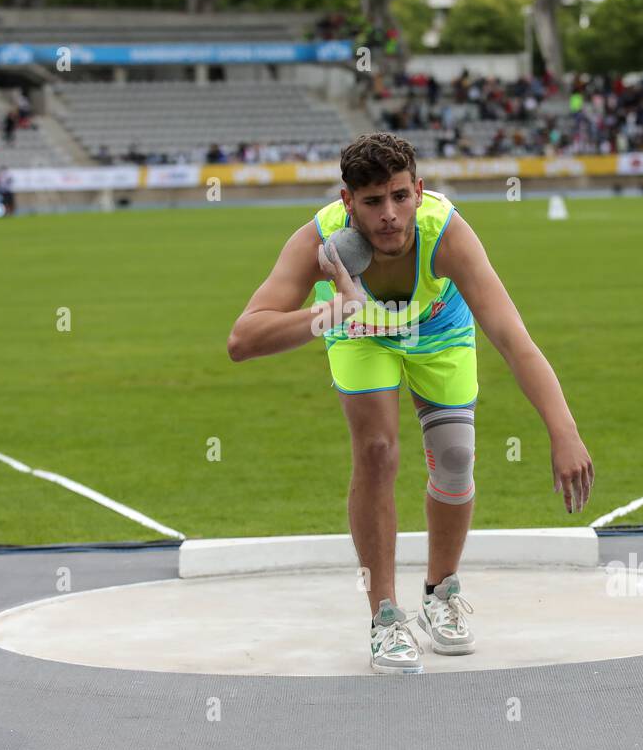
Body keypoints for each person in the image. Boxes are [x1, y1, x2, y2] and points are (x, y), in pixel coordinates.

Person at [227, 133, 594, 674]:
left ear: (418, 191)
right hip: (359, 328)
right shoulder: (319, 241)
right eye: (373, 201)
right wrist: (335, 311)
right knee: (377, 452)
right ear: (348, 202)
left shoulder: (446, 235)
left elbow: (513, 339)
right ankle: (385, 616)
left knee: (455, 456)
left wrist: (564, 432)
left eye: (400, 196)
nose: (390, 215)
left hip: (437, 327)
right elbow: (242, 340)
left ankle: (441, 593)